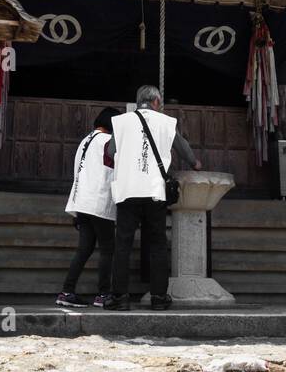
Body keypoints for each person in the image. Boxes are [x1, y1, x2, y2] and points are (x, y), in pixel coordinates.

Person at [103, 85, 200, 311]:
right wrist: (194, 163)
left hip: (127, 192)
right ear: (156, 101)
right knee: (157, 243)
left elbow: (110, 152)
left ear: (138, 102)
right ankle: (158, 297)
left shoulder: (122, 122)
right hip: (155, 192)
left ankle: (119, 297)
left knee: (123, 245)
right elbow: (183, 147)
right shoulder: (166, 122)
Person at [56, 107, 121, 308]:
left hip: (81, 201)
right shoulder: (106, 142)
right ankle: (103, 294)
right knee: (108, 249)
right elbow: (112, 169)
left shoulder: (85, 141)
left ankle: (67, 291)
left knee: (84, 249)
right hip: (98, 201)